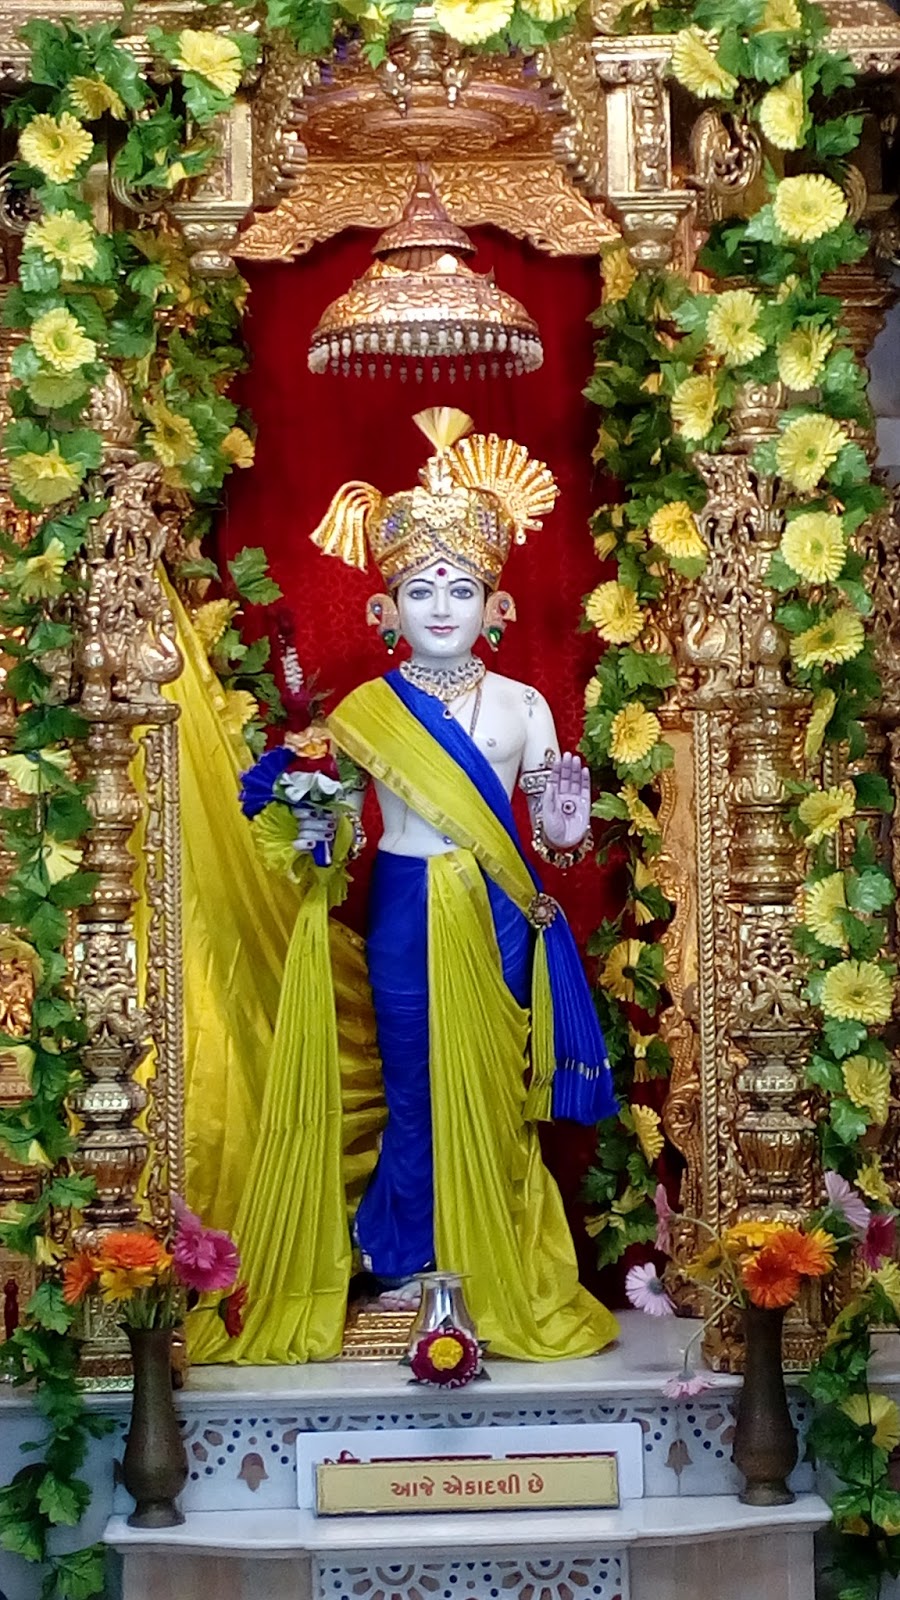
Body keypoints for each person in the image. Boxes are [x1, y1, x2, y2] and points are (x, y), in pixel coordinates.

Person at [191, 408, 618, 1365]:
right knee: (414, 1088)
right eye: (419, 588)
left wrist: (564, 822)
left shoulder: (523, 705)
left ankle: (497, 1259)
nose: (439, 606)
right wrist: (308, 817)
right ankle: (408, 1265)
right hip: (399, 902)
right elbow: (334, 836)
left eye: (460, 588)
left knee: (495, 1093)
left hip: (501, 909)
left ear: (494, 605)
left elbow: (561, 837)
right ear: (386, 607)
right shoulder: (364, 713)